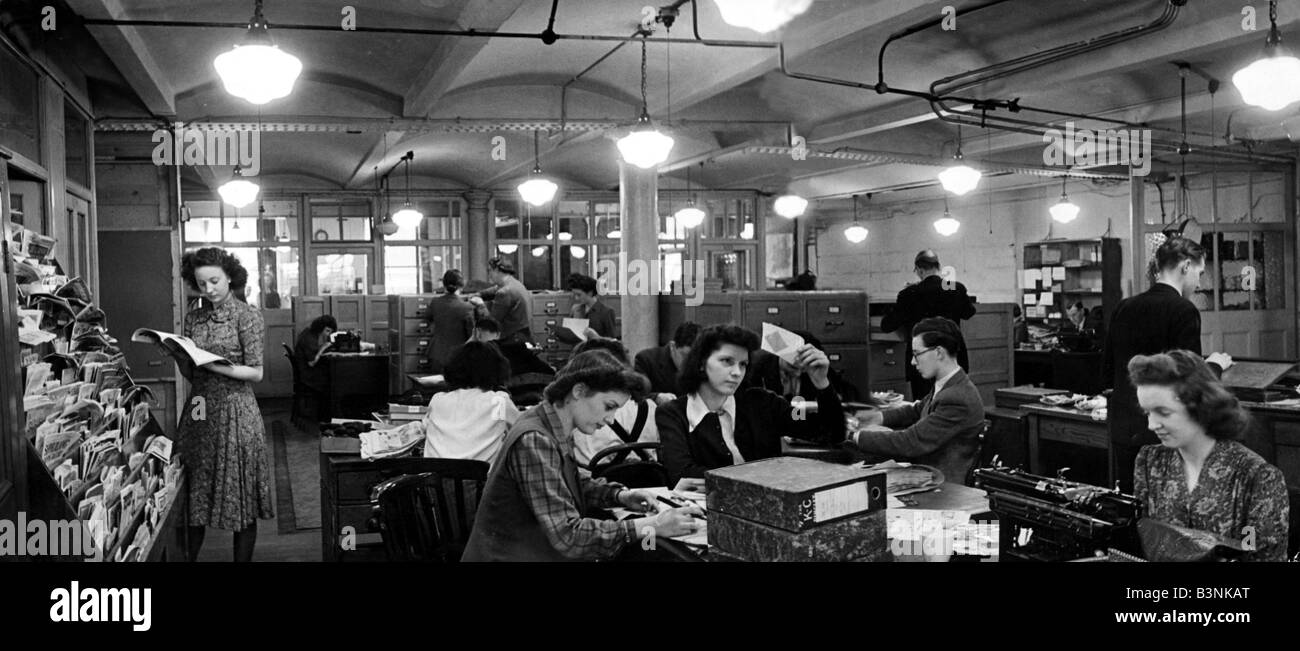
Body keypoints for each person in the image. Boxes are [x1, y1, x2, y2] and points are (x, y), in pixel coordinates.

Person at [462, 351, 700, 561]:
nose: (610, 419)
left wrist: (621, 495)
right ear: (578, 391)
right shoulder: (535, 438)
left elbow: (568, 482)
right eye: (609, 406)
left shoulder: (550, 422)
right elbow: (569, 536)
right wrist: (652, 525)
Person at [1128, 350, 1289, 561]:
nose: (1151, 425)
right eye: (1147, 413)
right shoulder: (1150, 462)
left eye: (1164, 412)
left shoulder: (1258, 477)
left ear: (1201, 404)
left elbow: (1260, 556)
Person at [1103, 236, 1233, 493]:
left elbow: (1107, 371)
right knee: (1166, 517)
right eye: (1200, 272)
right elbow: (1191, 384)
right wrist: (1215, 365)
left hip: (1123, 429)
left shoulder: (1123, 307)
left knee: (1131, 507)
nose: (1199, 282)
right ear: (1185, 266)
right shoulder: (1183, 310)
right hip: (1163, 432)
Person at [176, 247, 274, 562]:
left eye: (215, 281)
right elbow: (192, 374)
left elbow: (256, 372)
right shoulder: (194, 317)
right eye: (201, 283)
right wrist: (181, 357)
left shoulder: (248, 316)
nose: (209, 289)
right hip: (200, 408)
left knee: (241, 499)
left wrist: (215, 365)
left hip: (236, 411)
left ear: (230, 276)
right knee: (194, 497)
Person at [656, 324, 846, 486]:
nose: (737, 372)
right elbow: (681, 474)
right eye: (727, 361)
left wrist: (822, 383)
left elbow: (829, 432)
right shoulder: (674, 413)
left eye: (743, 364)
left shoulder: (763, 403)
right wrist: (763, 477)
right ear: (701, 364)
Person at [846, 318, 985, 484]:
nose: (912, 362)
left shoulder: (957, 397)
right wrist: (877, 417)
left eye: (917, 354)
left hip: (943, 484)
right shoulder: (948, 384)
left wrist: (853, 435)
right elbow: (917, 410)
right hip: (928, 470)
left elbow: (910, 442)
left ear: (939, 353)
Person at [880, 250, 976, 400]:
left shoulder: (909, 294)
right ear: (937, 267)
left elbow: (887, 325)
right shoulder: (954, 288)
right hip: (952, 357)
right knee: (955, 401)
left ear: (919, 269)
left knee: (924, 405)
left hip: (923, 359)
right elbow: (969, 312)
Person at [566, 338, 660, 471]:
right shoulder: (650, 406)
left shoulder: (582, 416)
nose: (609, 419)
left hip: (595, 480)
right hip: (652, 482)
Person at [422, 341, 520, 466]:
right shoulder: (498, 401)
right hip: (479, 482)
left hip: (437, 481)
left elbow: (424, 428)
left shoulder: (438, 400)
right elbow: (523, 429)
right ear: (496, 370)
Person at [743, 330, 860, 402]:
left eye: (805, 364)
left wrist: (827, 390)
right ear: (781, 352)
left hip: (799, 422)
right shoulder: (759, 366)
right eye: (793, 360)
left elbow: (849, 392)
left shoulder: (814, 366)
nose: (799, 366)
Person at [633, 321, 700, 400]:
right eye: (685, 357)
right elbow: (635, 395)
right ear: (673, 346)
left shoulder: (703, 365)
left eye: (695, 358)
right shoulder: (646, 360)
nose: (690, 363)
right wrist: (656, 397)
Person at [471, 257, 532, 344]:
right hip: (523, 335)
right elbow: (495, 289)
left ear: (496, 270)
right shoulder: (514, 283)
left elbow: (492, 322)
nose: (489, 275)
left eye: (490, 271)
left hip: (511, 341)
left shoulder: (504, 292)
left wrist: (480, 304)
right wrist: (479, 294)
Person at [426, 269, 476, 373]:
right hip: (458, 357)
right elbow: (471, 334)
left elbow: (428, 316)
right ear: (461, 285)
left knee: (437, 387)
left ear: (444, 284)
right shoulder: (467, 307)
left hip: (437, 355)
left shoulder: (435, 302)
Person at [553, 273, 617, 344]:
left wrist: (597, 337)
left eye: (579, 295)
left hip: (597, 353)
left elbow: (613, 342)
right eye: (574, 295)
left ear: (590, 293)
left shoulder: (607, 312)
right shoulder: (575, 309)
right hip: (579, 352)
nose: (576, 298)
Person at [293, 314, 336, 395]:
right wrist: (323, 347)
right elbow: (312, 362)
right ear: (320, 327)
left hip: (304, 372)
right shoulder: (309, 338)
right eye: (327, 331)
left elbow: (313, 350)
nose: (328, 334)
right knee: (333, 376)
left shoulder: (308, 332)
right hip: (307, 376)